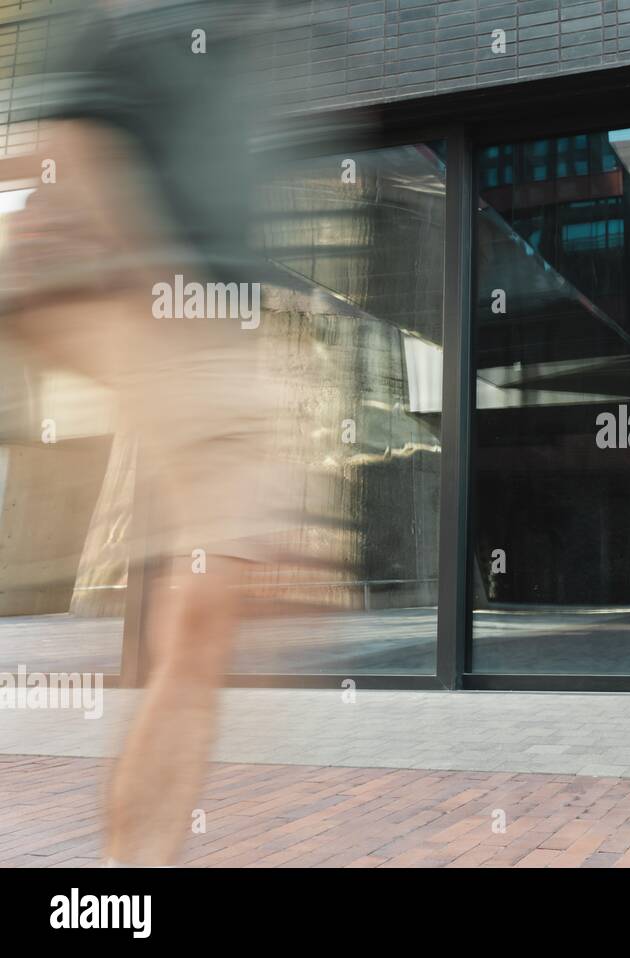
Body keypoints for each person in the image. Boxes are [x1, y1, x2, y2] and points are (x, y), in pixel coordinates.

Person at [0, 1, 294, 866]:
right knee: (213, 606)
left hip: (199, 320)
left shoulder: (264, 39)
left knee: (205, 625)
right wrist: (161, 295)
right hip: (116, 288)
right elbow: (66, 144)